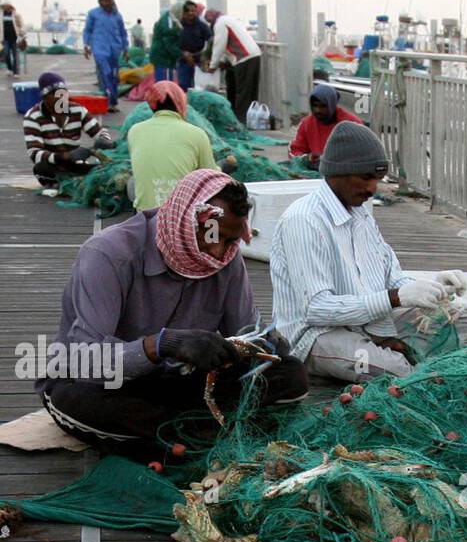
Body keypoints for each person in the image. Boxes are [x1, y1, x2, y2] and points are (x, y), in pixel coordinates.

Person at [39, 170, 308, 454]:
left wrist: (266, 343)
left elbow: (245, 332)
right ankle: (196, 431)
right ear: (186, 219)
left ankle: (180, 435)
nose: (218, 253)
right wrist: (161, 345)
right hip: (106, 382)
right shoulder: (108, 254)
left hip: (178, 381)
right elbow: (86, 361)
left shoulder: (226, 258)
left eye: (230, 241)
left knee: (290, 374)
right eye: (212, 235)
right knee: (78, 399)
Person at [270, 122, 467, 381]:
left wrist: (432, 288)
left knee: (463, 319)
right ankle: (413, 365)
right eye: (366, 178)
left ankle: (409, 360)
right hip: (317, 335)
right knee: (395, 370)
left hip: (369, 321)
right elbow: (317, 309)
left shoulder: (362, 215)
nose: (372, 189)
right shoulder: (304, 221)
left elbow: (393, 279)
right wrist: (394, 298)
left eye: (377, 180)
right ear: (337, 173)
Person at [127, 81, 217, 210]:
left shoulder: (134, 131)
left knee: (131, 183)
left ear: (152, 106)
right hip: (180, 216)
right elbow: (211, 177)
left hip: (145, 215)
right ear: (180, 103)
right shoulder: (197, 134)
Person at [22, 71, 114, 191]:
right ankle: (62, 183)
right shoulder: (33, 117)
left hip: (77, 164)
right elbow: (35, 154)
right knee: (40, 168)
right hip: (54, 165)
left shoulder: (78, 110)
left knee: (106, 170)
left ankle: (73, 182)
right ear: (44, 97)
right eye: (55, 94)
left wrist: (103, 140)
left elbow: (99, 131)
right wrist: (64, 156)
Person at [203, 9, 261, 121]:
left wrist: (213, 66)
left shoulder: (220, 23)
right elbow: (227, 46)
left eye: (209, 21)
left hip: (244, 57)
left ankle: (241, 120)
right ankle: (250, 119)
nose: (210, 24)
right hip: (254, 55)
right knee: (251, 91)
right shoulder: (228, 20)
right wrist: (223, 61)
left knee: (242, 92)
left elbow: (219, 45)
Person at [288, 83, 363, 169]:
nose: (318, 110)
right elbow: (296, 150)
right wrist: (307, 158)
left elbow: (362, 154)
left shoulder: (352, 124)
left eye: (323, 106)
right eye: (315, 106)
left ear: (332, 104)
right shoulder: (307, 124)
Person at [82, 0, 129, 112]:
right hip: (99, 49)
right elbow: (88, 30)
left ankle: (112, 101)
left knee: (114, 76)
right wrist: (86, 45)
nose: (104, 2)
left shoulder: (117, 16)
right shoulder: (94, 14)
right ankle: (106, 100)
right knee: (105, 73)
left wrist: (126, 49)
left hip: (114, 49)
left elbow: (123, 33)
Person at [175, 0, 212, 91]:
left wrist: (206, 56)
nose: (191, 13)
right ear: (184, 12)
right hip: (183, 60)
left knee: (200, 87)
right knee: (183, 86)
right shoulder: (177, 25)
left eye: (193, 11)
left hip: (199, 60)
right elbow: (172, 43)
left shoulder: (202, 26)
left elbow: (211, 41)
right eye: (188, 10)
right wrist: (184, 54)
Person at [149, 6, 182, 83]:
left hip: (162, 56)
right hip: (163, 57)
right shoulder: (168, 23)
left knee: (163, 80)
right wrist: (181, 54)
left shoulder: (167, 19)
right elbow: (169, 43)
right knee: (165, 82)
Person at [2, 0, 26, 75]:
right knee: (6, 54)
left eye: (7, 5)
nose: (5, 7)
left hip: (15, 38)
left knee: (15, 55)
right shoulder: (1, 15)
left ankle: (16, 72)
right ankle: (10, 69)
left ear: (10, 6)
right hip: (5, 39)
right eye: (4, 5)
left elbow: (22, 24)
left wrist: (22, 31)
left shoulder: (16, 15)